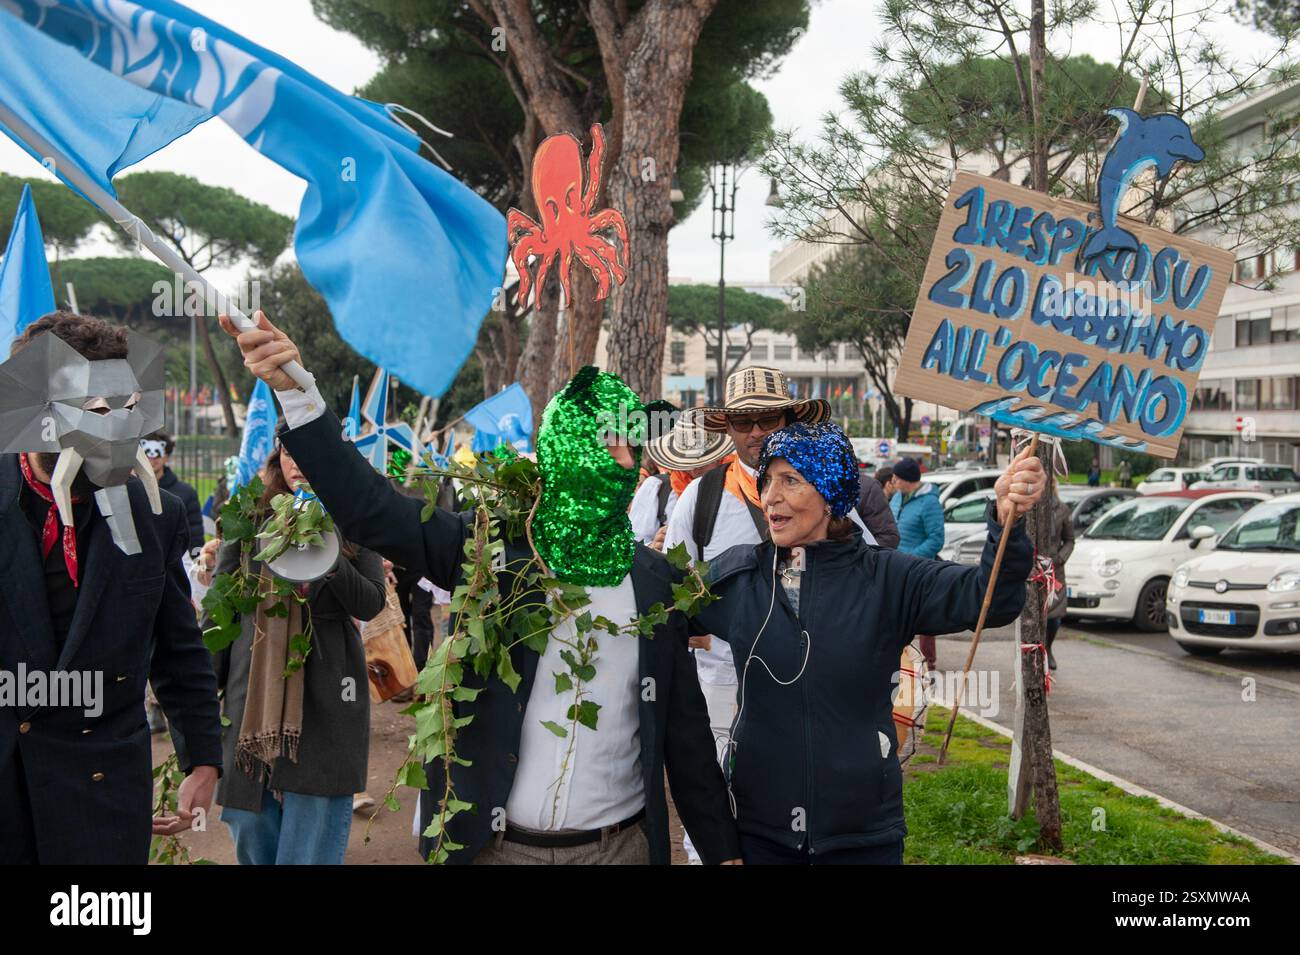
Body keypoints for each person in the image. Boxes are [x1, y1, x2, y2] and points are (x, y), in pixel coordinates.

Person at [222, 310, 741, 866]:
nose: (623, 463)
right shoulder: (487, 554)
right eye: (605, 445)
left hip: (621, 850)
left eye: (629, 447)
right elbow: (372, 508)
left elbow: (686, 736)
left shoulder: (655, 581)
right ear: (564, 452)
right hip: (501, 851)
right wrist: (300, 396)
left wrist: (722, 850)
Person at [693, 421, 1042, 864]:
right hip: (760, 836)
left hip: (861, 839)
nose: (770, 497)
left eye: (791, 481)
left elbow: (989, 598)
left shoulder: (890, 579)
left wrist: (1004, 520)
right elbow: (659, 615)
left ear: (830, 493)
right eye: (766, 480)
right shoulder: (741, 578)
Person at [0, 311, 222, 864]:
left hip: (100, 784)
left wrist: (202, 760)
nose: (122, 431)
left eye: (129, 409)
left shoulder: (156, 515)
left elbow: (176, 644)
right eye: (98, 412)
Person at [205, 437, 386, 865]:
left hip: (327, 690)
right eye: (289, 451)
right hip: (251, 693)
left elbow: (370, 601)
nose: (298, 462)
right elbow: (220, 609)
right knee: (249, 821)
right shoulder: (249, 514)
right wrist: (196, 696)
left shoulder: (357, 516)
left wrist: (330, 557)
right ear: (278, 457)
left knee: (310, 835)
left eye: (308, 449)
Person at [629, 412, 734, 546]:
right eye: (686, 461)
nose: (694, 469)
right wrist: (652, 547)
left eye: (701, 461)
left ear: (717, 456)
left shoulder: (736, 486)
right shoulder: (658, 488)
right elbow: (634, 545)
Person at [888, 457, 945, 667]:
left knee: (923, 616)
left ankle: (928, 663)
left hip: (919, 569)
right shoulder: (897, 498)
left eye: (896, 477)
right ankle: (901, 661)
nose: (893, 481)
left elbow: (936, 539)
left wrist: (912, 557)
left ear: (907, 480)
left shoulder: (929, 502)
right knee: (897, 614)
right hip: (895, 566)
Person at [140, 429, 204, 560]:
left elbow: (195, 534)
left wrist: (197, 560)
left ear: (166, 456)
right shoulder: (131, 491)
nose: (152, 458)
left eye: (157, 453)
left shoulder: (186, 493)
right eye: (146, 453)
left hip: (174, 562)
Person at [1043, 487, 1075, 671]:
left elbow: (1070, 540)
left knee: (1054, 618)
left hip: (1055, 570)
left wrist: (1059, 558)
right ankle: (1032, 654)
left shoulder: (1062, 509)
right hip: (1033, 569)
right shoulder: (1031, 507)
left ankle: (1047, 648)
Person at [856, 469, 899, 549]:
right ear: (888, 484)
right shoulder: (870, 491)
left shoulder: (869, 491)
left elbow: (888, 537)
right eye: (894, 483)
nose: (896, 487)